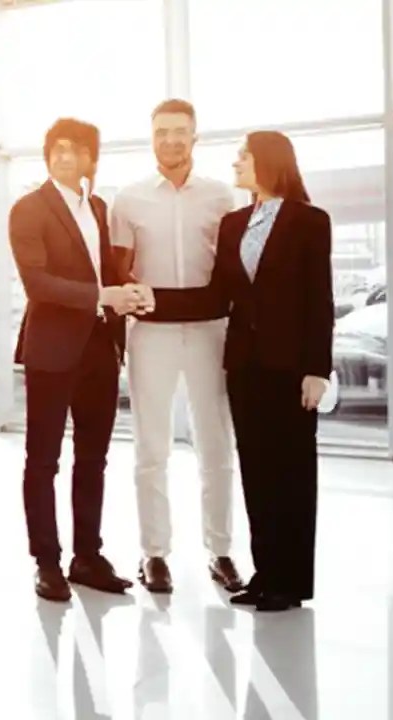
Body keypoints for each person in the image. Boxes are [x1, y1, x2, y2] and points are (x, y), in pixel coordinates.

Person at [143, 130, 334, 612]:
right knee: (256, 472)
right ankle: (266, 573)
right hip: (245, 366)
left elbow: (319, 300)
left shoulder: (310, 221)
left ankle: (291, 583)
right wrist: (148, 301)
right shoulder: (233, 223)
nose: (235, 164)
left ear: (268, 162)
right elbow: (215, 297)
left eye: (243, 157)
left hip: (291, 368)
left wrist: (317, 369)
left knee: (292, 474)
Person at [8, 117, 149, 602]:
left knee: (93, 458)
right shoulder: (28, 209)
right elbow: (37, 284)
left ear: (91, 158)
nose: (63, 155)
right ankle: (46, 561)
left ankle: (87, 556)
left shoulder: (98, 207)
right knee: (42, 459)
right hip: (51, 348)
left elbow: (105, 271)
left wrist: (128, 291)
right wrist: (103, 294)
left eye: (74, 149)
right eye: (56, 148)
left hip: (98, 348)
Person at [109, 99, 244, 594]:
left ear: (194, 137)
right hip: (152, 333)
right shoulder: (128, 199)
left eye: (179, 132)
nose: (170, 140)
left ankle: (222, 551)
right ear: (152, 138)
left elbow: (231, 268)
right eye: (162, 131)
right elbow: (119, 269)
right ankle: (154, 554)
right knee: (151, 447)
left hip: (211, 330)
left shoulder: (220, 197)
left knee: (215, 443)